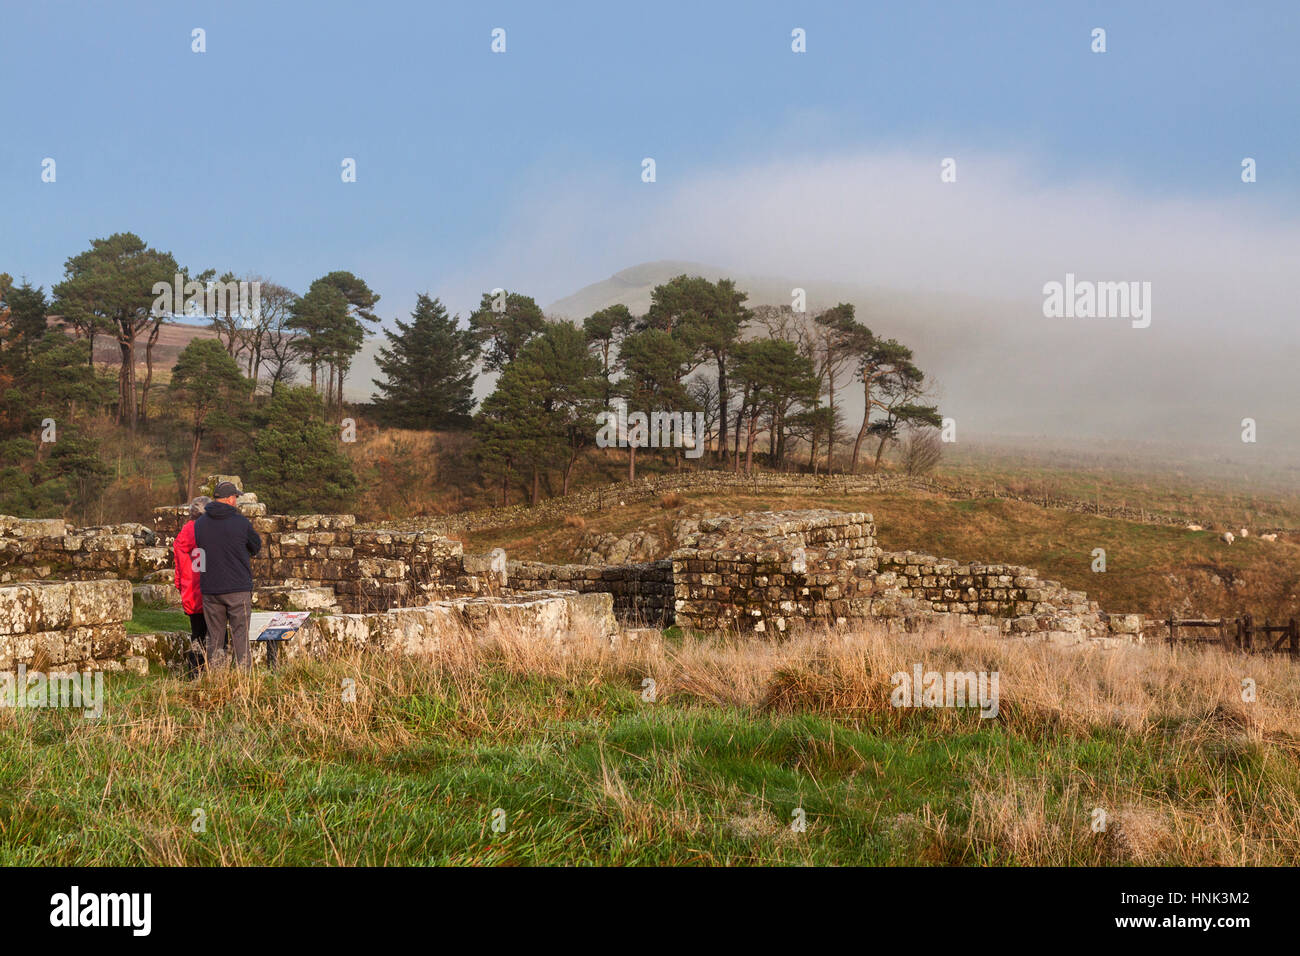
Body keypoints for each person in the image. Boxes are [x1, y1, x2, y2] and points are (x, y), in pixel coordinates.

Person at [194, 481, 262, 669]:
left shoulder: (200, 524)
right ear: (231, 499)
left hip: (211, 588)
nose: (237, 501)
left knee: (214, 637)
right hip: (237, 587)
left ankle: (216, 680)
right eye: (236, 498)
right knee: (240, 636)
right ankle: (244, 681)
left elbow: (199, 552)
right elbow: (256, 546)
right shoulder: (240, 522)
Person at [173, 495, 211, 677]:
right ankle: (213, 674)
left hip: (190, 592)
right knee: (216, 635)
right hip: (208, 590)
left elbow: (179, 570)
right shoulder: (207, 531)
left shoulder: (182, 535)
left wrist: (181, 587)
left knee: (197, 634)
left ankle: (194, 673)